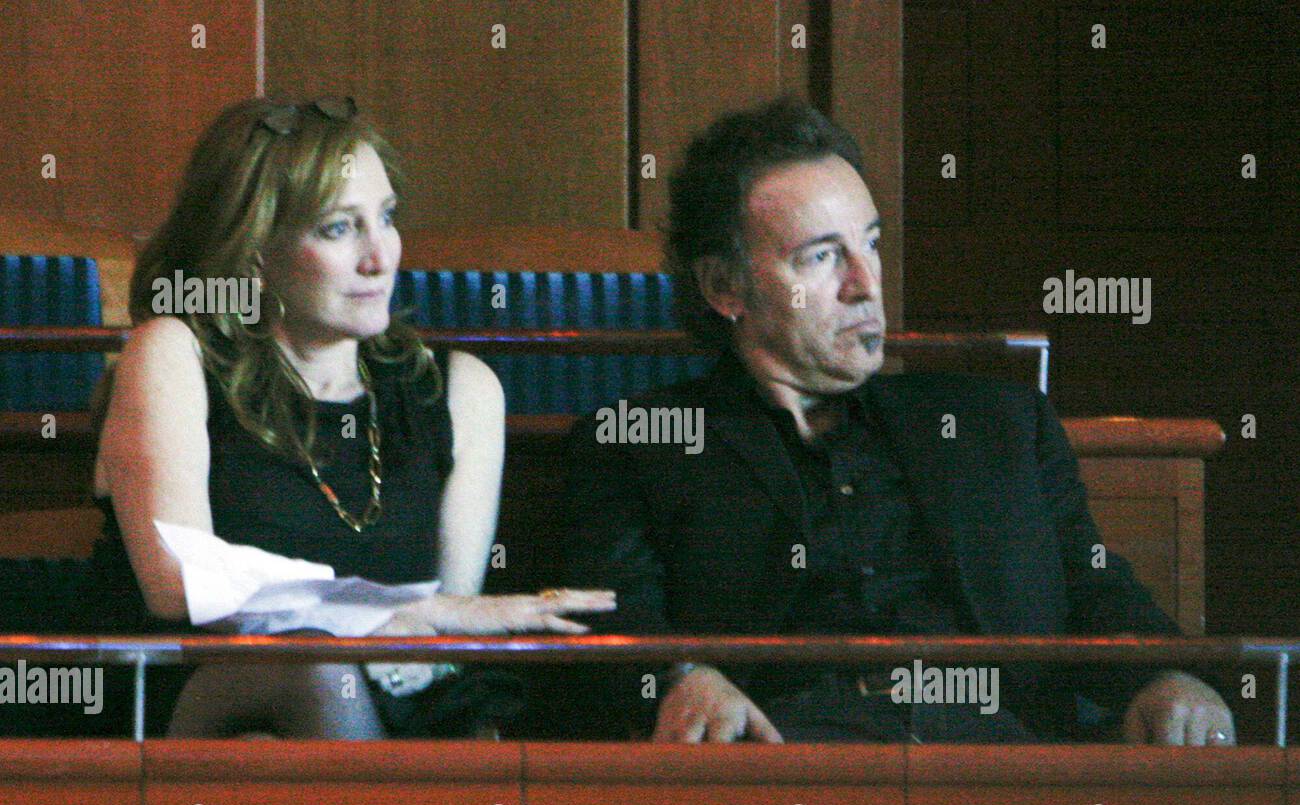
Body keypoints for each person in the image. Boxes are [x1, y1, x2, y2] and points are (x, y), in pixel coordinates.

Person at [560, 97, 1234, 745]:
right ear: (723, 288)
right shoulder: (637, 441)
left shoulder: (996, 422)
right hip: (789, 758)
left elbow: (1092, 585)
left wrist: (1166, 676)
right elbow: (615, 616)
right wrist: (684, 677)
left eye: (871, 244)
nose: (866, 283)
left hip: (999, 753)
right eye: (822, 256)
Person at [91, 95, 613, 738]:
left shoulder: (459, 390)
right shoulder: (173, 353)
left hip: (397, 697)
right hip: (209, 695)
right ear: (255, 249)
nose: (381, 256)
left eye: (386, 218)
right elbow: (181, 585)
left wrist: (419, 627)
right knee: (318, 676)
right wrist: (386, 621)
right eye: (340, 228)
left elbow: (440, 633)